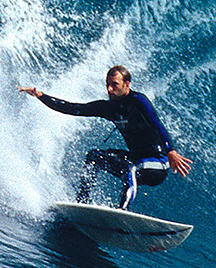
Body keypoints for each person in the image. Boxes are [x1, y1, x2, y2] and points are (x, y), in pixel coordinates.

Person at [18, 65, 193, 210]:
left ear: (127, 84)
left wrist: (170, 151)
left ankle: (122, 210)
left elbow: (157, 123)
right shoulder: (109, 108)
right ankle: (82, 204)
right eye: (107, 84)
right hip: (135, 159)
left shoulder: (139, 101)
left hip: (158, 163)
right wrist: (41, 96)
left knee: (130, 166)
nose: (109, 89)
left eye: (114, 84)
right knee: (94, 157)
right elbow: (73, 108)